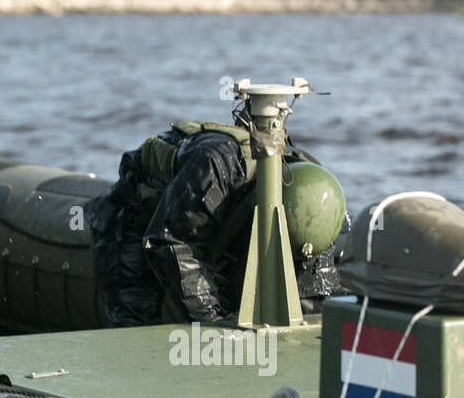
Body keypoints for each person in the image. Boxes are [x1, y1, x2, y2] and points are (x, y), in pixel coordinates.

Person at [87, 114, 346, 325]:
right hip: (137, 215)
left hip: (222, 220)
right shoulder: (216, 168)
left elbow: (317, 295)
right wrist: (216, 324)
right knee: (137, 316)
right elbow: (169, 240)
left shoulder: (322, 209)